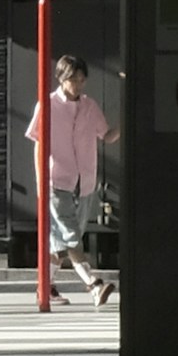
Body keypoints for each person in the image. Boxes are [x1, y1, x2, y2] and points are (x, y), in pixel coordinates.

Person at [28, 51, 115, 302]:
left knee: (62, 242)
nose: (77, 84)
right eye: (73, 79)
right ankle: (94, 285)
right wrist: (40, 180)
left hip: (85, 181)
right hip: (57, 180)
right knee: (71, 236)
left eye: (81, 79)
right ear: (61, 79)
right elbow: (38, 142)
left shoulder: (89, 106)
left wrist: (127, 122)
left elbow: (106, 135)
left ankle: (45, 288)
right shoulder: (48, 104)